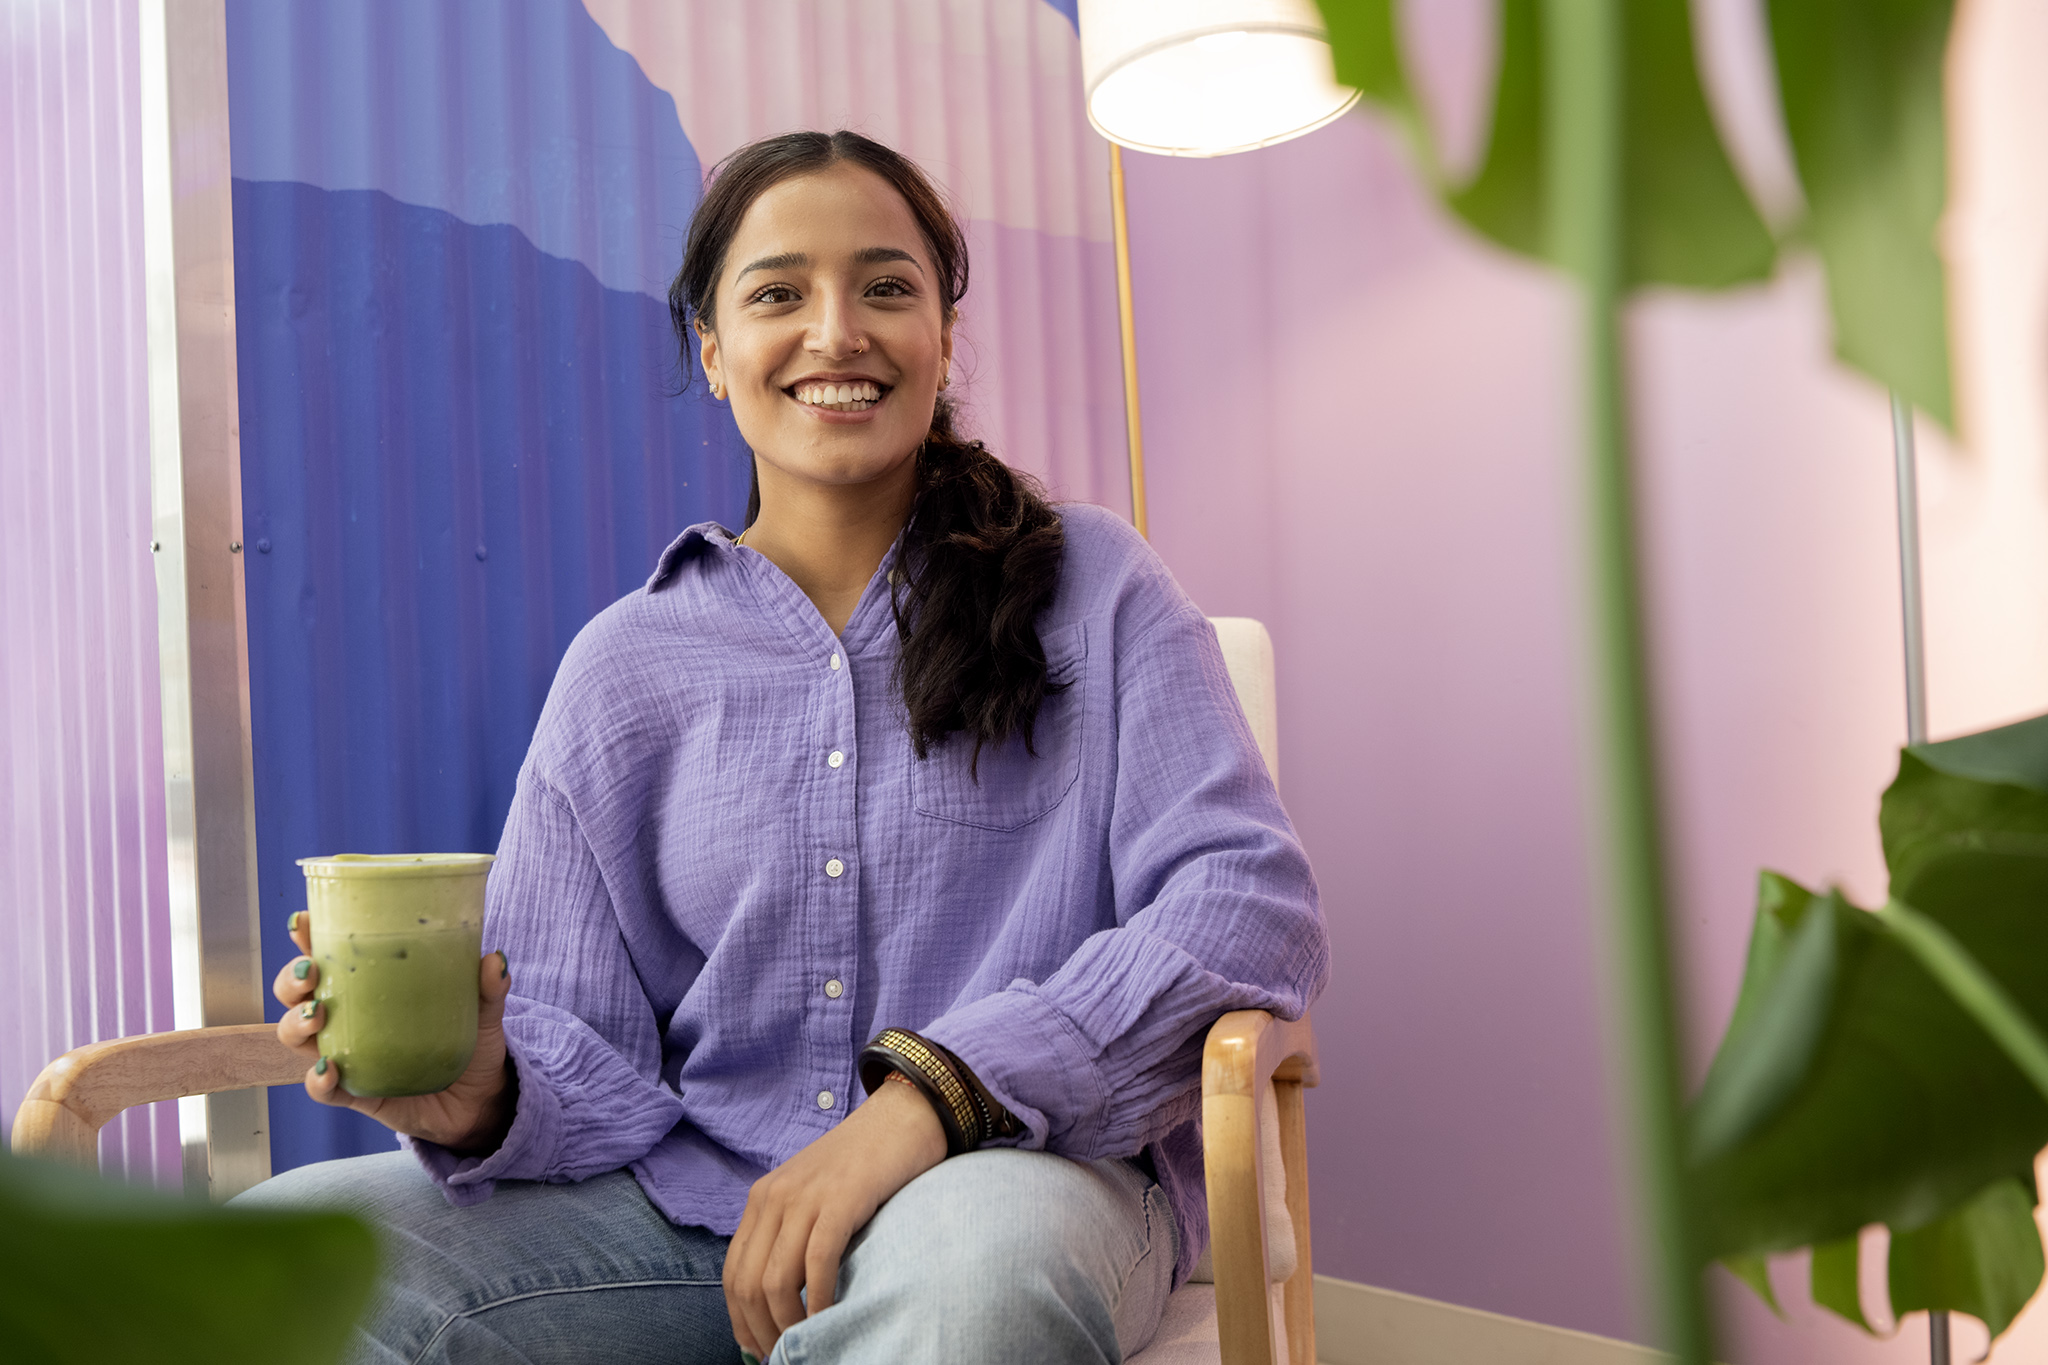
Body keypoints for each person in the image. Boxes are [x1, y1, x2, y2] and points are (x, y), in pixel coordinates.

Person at [236, 129, 1326, 1365]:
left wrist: (931, 1096)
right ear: (711, 349)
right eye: (775, 294)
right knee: (272, 1271)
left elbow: (1246, 906)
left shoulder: (1098, 587)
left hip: (1020, 1179)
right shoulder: (623, 666)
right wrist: (481, 1093)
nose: (835, 332)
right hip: (699, 1223)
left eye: (885, 287)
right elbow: (584, 1054)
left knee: (973, 1302)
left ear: (942, 337)